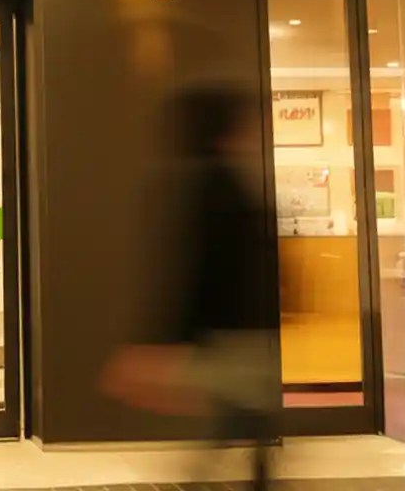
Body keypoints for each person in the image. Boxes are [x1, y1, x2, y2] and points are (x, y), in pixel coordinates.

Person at [101, 85, 278, 489]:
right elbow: (205, 267)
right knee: (243, 420)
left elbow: (193, 266)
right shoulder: (221, 184)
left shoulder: (208, 181)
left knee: (240, 422)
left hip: (233, 332)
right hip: (237, 333)